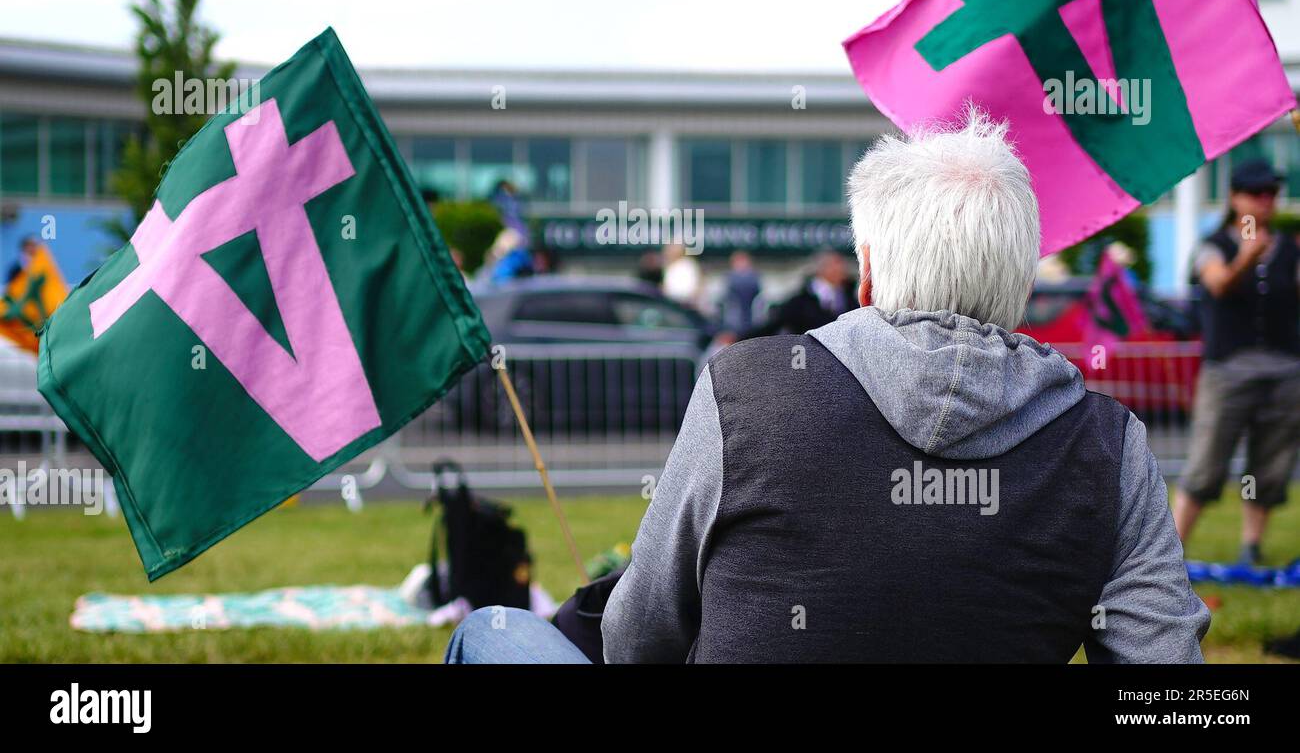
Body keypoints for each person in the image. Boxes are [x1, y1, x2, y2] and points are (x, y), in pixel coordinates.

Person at [446, 111, 1208, 663]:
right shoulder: (1110, 446)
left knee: (493, 633)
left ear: (867, 271)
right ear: (1017, 282)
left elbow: (638, 636)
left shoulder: (748, 389)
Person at [1173, 158, 1300, 565]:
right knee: (1205, 466)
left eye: (1272, 193)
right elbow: (1219, 284)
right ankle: (1170, 554)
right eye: (1257, 193)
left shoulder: (1289, 248)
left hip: (1283, 371)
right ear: (1235, 198)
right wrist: (1248, 256)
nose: (1266, 201)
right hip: (1228, 372)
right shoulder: (1214, 245)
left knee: (1269, 468)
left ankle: (1251, 547)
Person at [736, 249, 854, 338]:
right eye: (835, 265)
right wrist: (740, 338)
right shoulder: (801, 302)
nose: (841, 269)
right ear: (822, 269)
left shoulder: (849, 297)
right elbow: (773, 325)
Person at [718, 251, 761, 334]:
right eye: (738, 261)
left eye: (743, 261)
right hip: (733, 321)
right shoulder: (728, 277)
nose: (741, 264)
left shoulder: (754, 277)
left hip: (752, 319)